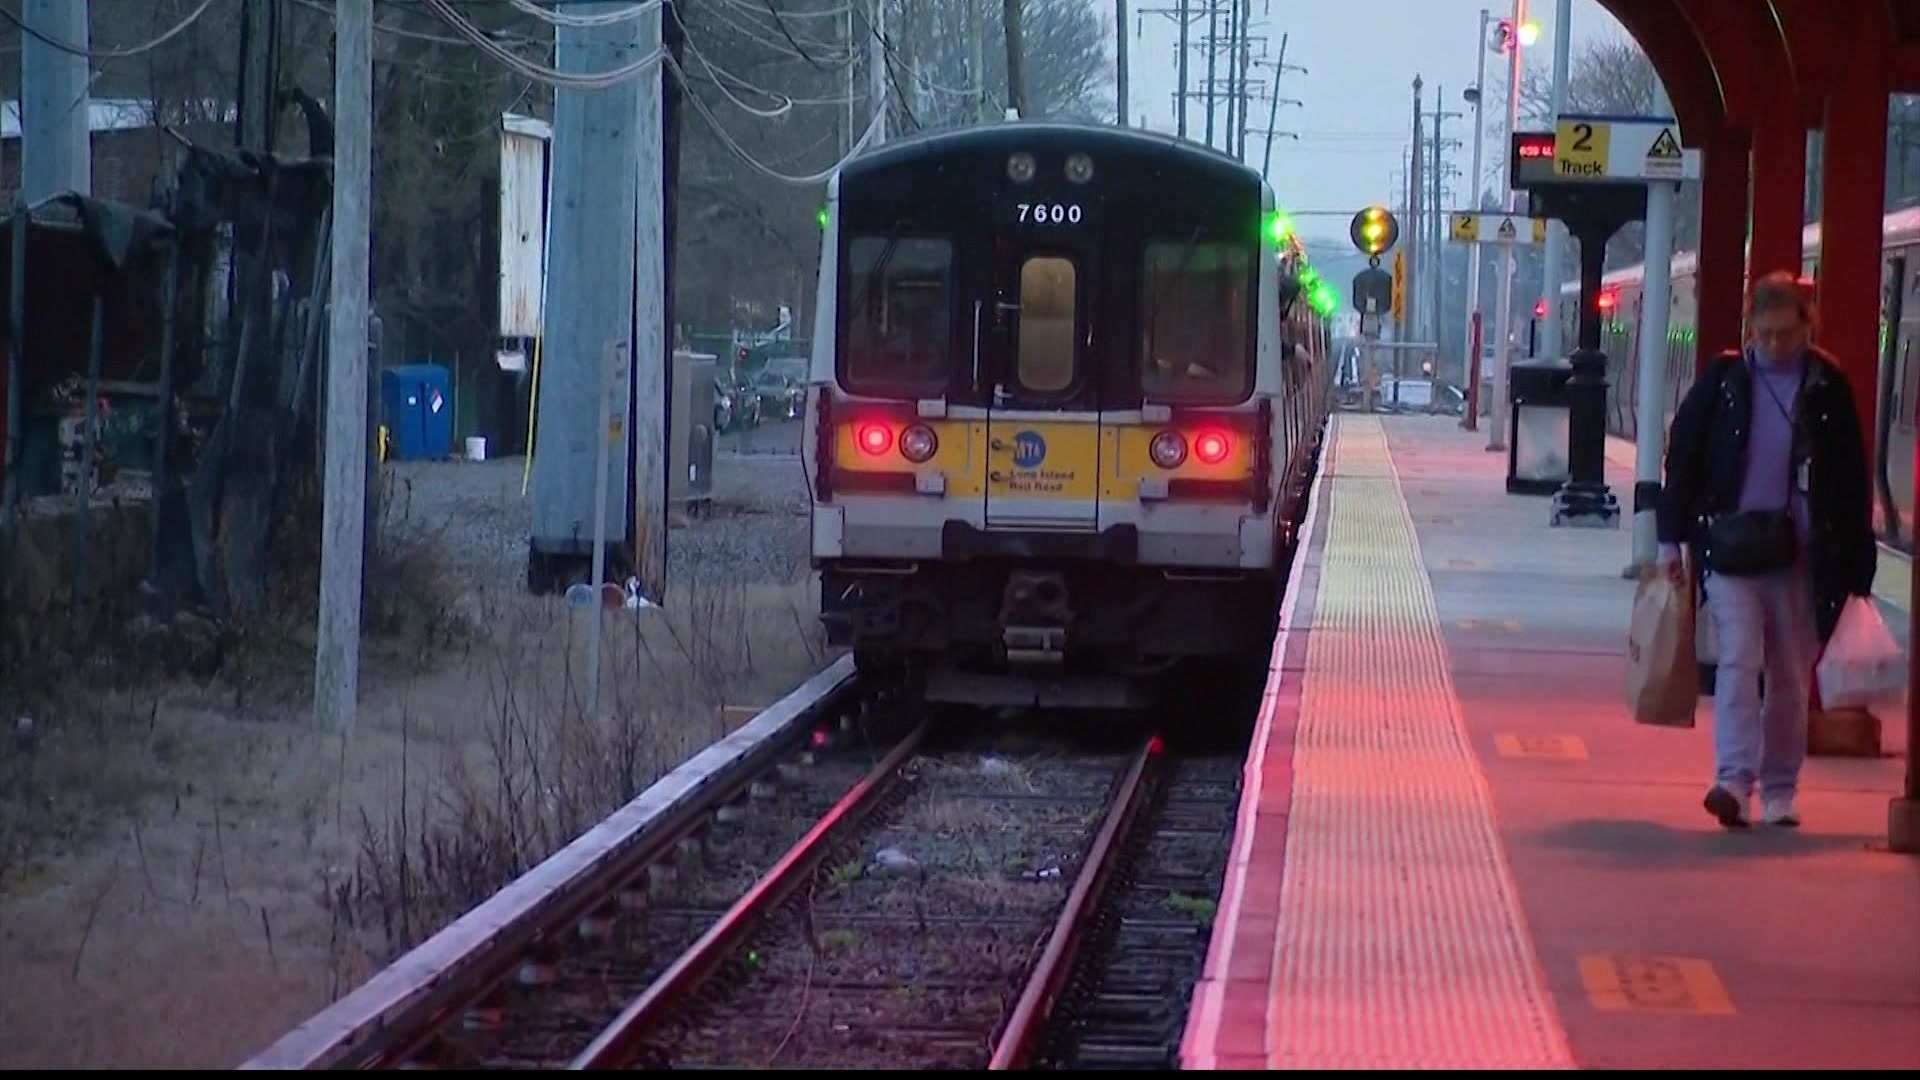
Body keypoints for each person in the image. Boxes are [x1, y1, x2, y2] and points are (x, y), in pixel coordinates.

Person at [1656, 270, 1877, 830]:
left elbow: (1851, 478)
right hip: (1732, 547)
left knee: (1788, 678)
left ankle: (1780, 789)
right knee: (1737, 662)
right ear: (1750, 329)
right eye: (1766, 333)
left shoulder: (1828, 386)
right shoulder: (1726, 380)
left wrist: (1858, 568)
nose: (1776, 344)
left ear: (1809, 326)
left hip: (1802, 556)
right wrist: (1669, 540)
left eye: (1786, 333)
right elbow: (1682, 456)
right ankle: (1733, 779)